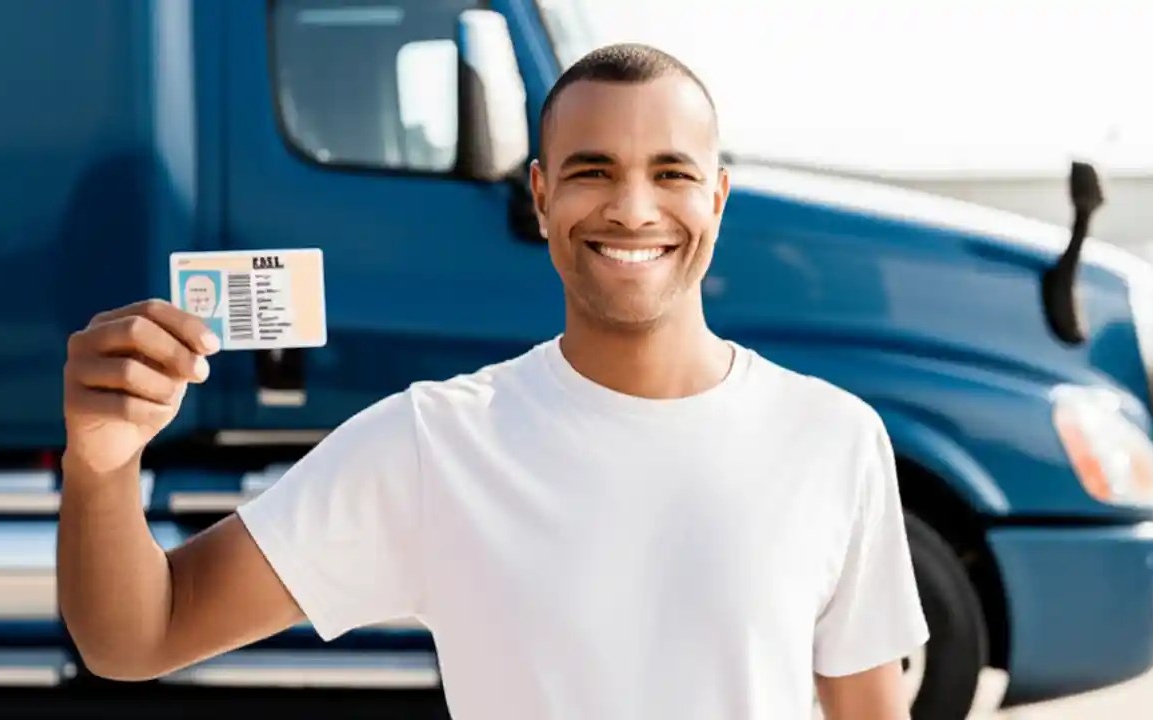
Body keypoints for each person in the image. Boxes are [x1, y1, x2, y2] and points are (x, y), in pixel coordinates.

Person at [58, 43, 928, 719]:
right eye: (593, 172)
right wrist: (102, 464)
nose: (632, 208)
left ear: (719, 199)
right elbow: (140, 635)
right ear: (542, 197)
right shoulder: (435, 441)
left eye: (672, 173)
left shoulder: (833, 436)